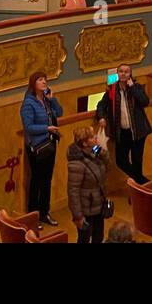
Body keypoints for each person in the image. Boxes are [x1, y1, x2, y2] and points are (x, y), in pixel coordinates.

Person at [94, 63, 152, 184]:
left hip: (137, 132)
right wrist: (101, 117)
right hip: (122, 132)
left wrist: (133, 88)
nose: (123, 74)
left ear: (130, 74)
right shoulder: (112, 90)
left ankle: (138, 190)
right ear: (117, 74)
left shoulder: (137, 87)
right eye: (121, 71)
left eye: (126, 72)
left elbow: (145, 101)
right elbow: (101, 105)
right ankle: (142, 182)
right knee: (121, 161)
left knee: (137, 161)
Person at [20, 71, 63, 228]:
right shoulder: (28, 103)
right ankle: (33, 216)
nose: (44, 82)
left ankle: (45, 212)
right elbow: (29, 127)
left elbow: (60, 113)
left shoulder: (46, 100)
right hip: (38, 147)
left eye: (45, 79)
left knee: (47, 181)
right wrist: (47, 128)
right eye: (40, 80)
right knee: (36, 182)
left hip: (50, 144)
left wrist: (53, 100)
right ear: (33, 84)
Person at [67, 124, 110, 244]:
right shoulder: (76, 163)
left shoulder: (94, 153)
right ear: (85, 143)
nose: (95, 138)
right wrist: (78, 217)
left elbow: (107, 166)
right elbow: (73, 192)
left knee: (98, 237)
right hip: (86, 210)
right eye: (91, 137)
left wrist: (101, 151)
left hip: (98, 205)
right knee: (84, 239)